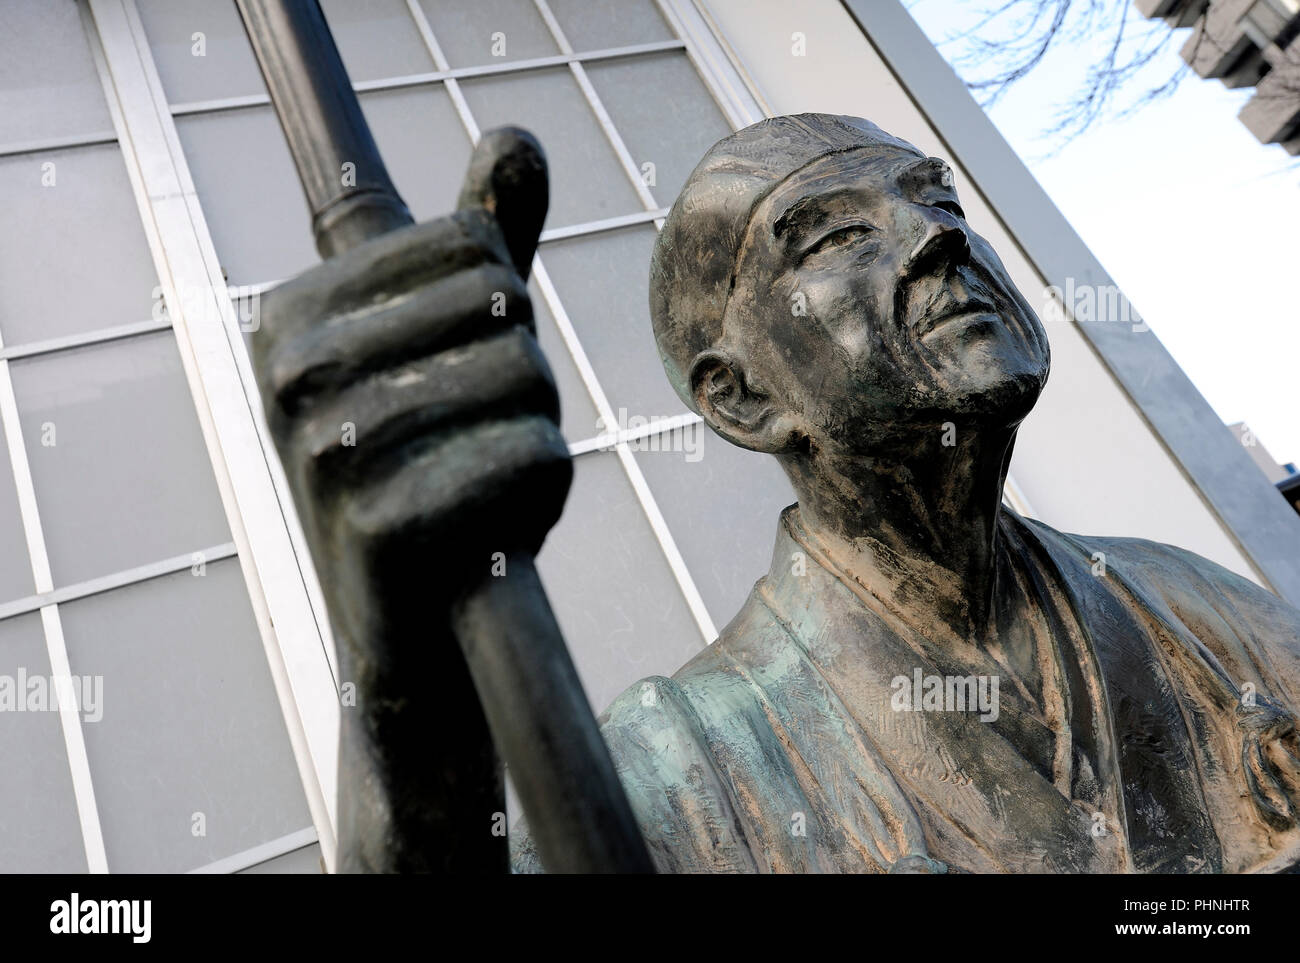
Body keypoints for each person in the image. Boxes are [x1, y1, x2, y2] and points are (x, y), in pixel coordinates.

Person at [258, 114, 1300, 874]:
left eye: (934, 198)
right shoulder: (679, 776)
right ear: (742, 397)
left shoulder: (1197, 614)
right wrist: (408, 681)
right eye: (835, 235)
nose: (938, 235)